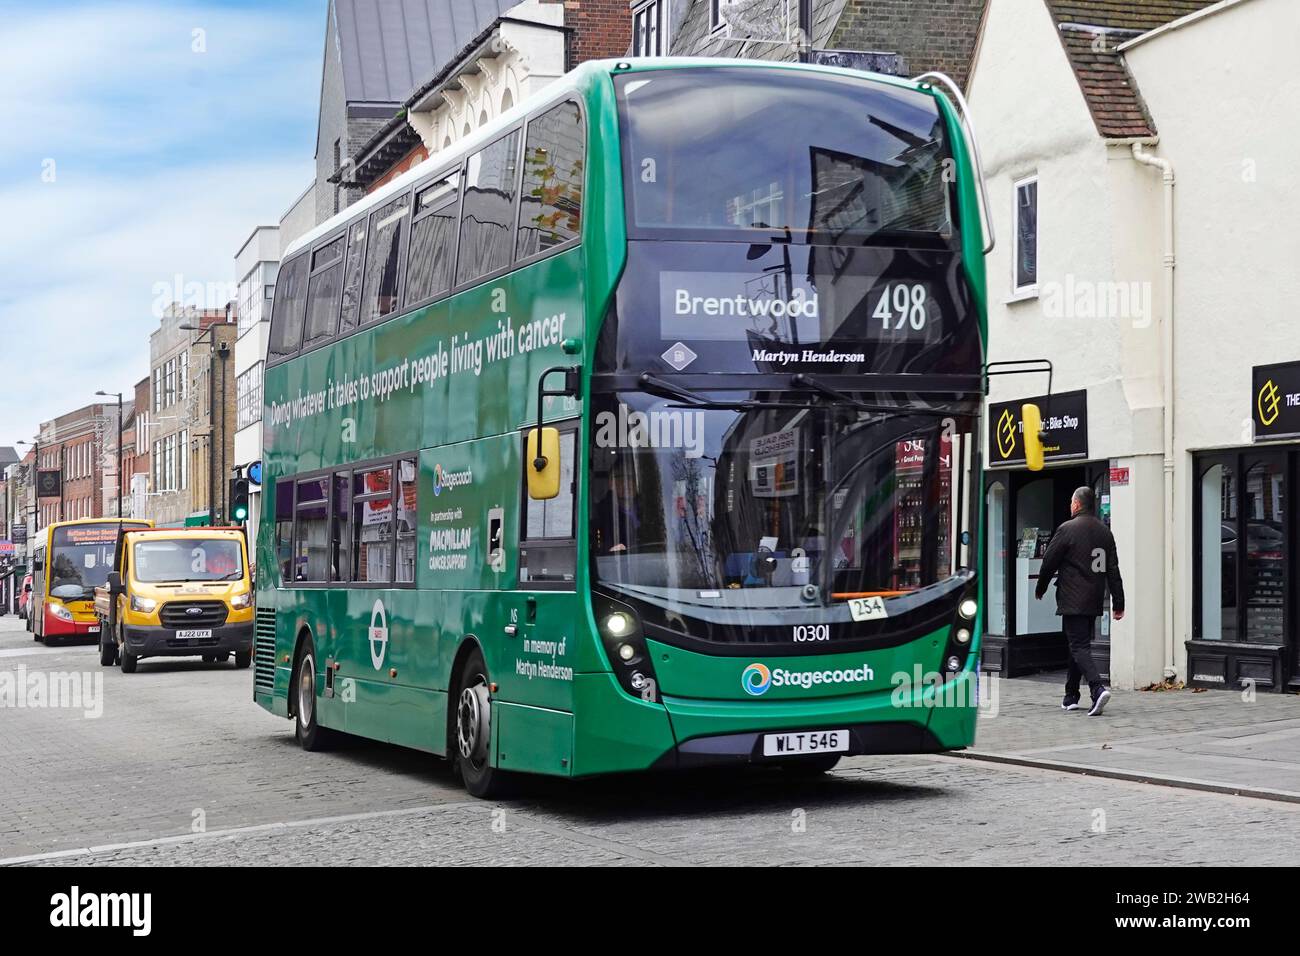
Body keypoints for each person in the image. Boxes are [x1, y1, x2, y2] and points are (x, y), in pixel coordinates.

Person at [1035, 486, 1125, 716]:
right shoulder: (1105, 532)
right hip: (1094, 598)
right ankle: (1071, 695)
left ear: (1076, 505)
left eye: (1071, 502)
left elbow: (1049, 561)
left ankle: (1097, 689)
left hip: (1072, 597)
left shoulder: (1067, 529)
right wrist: (1118, 602)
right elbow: (1113, 570)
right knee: (1076, 645)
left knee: (1079, 646)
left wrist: (1041, 587)